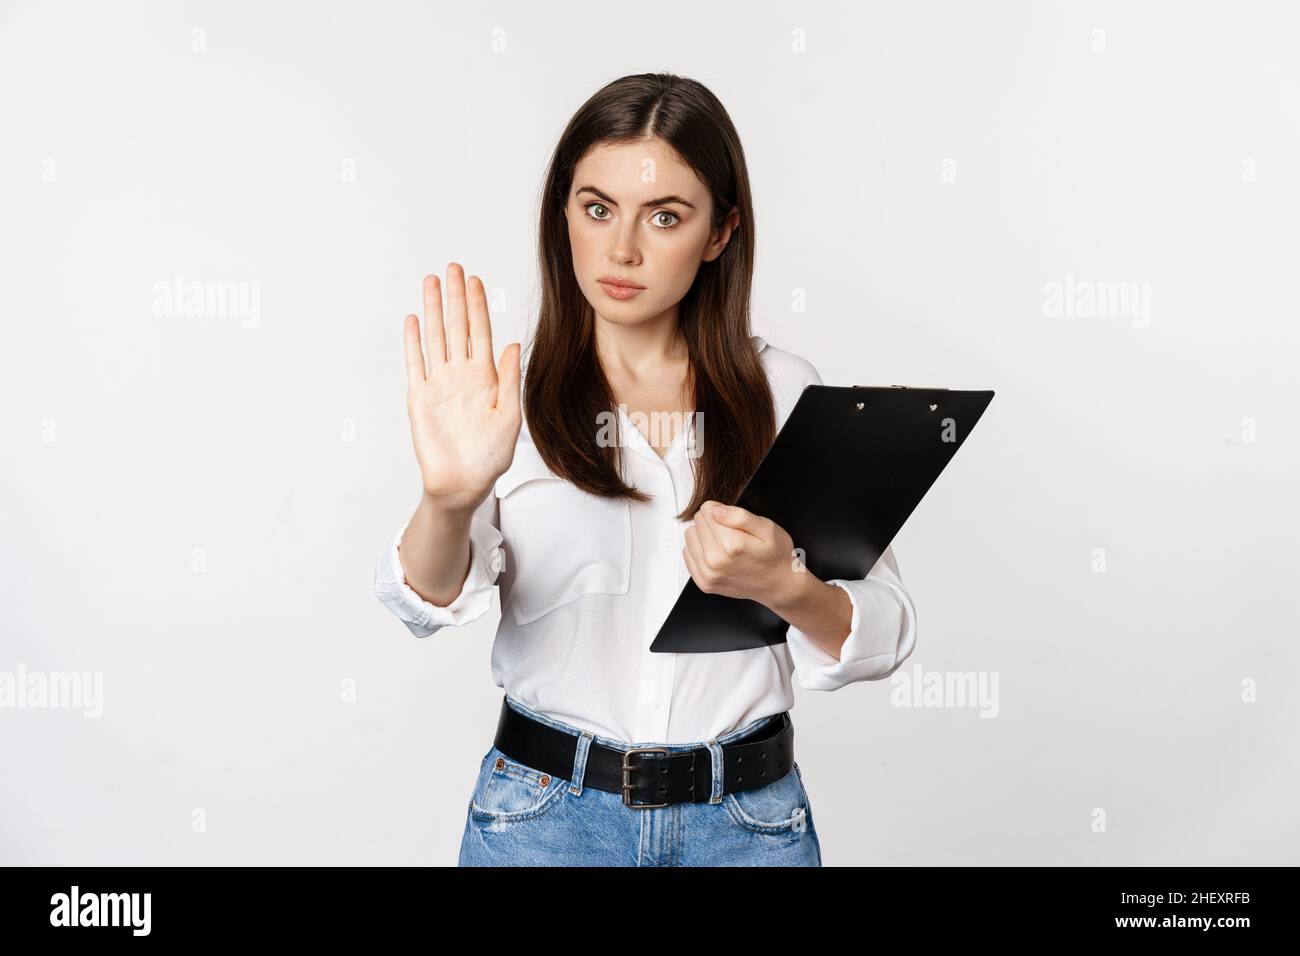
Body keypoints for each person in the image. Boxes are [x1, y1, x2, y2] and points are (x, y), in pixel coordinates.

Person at [374, 72, 917, 867]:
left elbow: (887, 627)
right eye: (597, 208)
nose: (621, 249)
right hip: (542, 824)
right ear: (564, 212)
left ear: (721, 233)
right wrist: (447, 500)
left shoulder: (786, 393)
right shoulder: (503, 400)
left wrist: (784, 586)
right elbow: (422, 603)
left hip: (747, 828)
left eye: (665, 217)